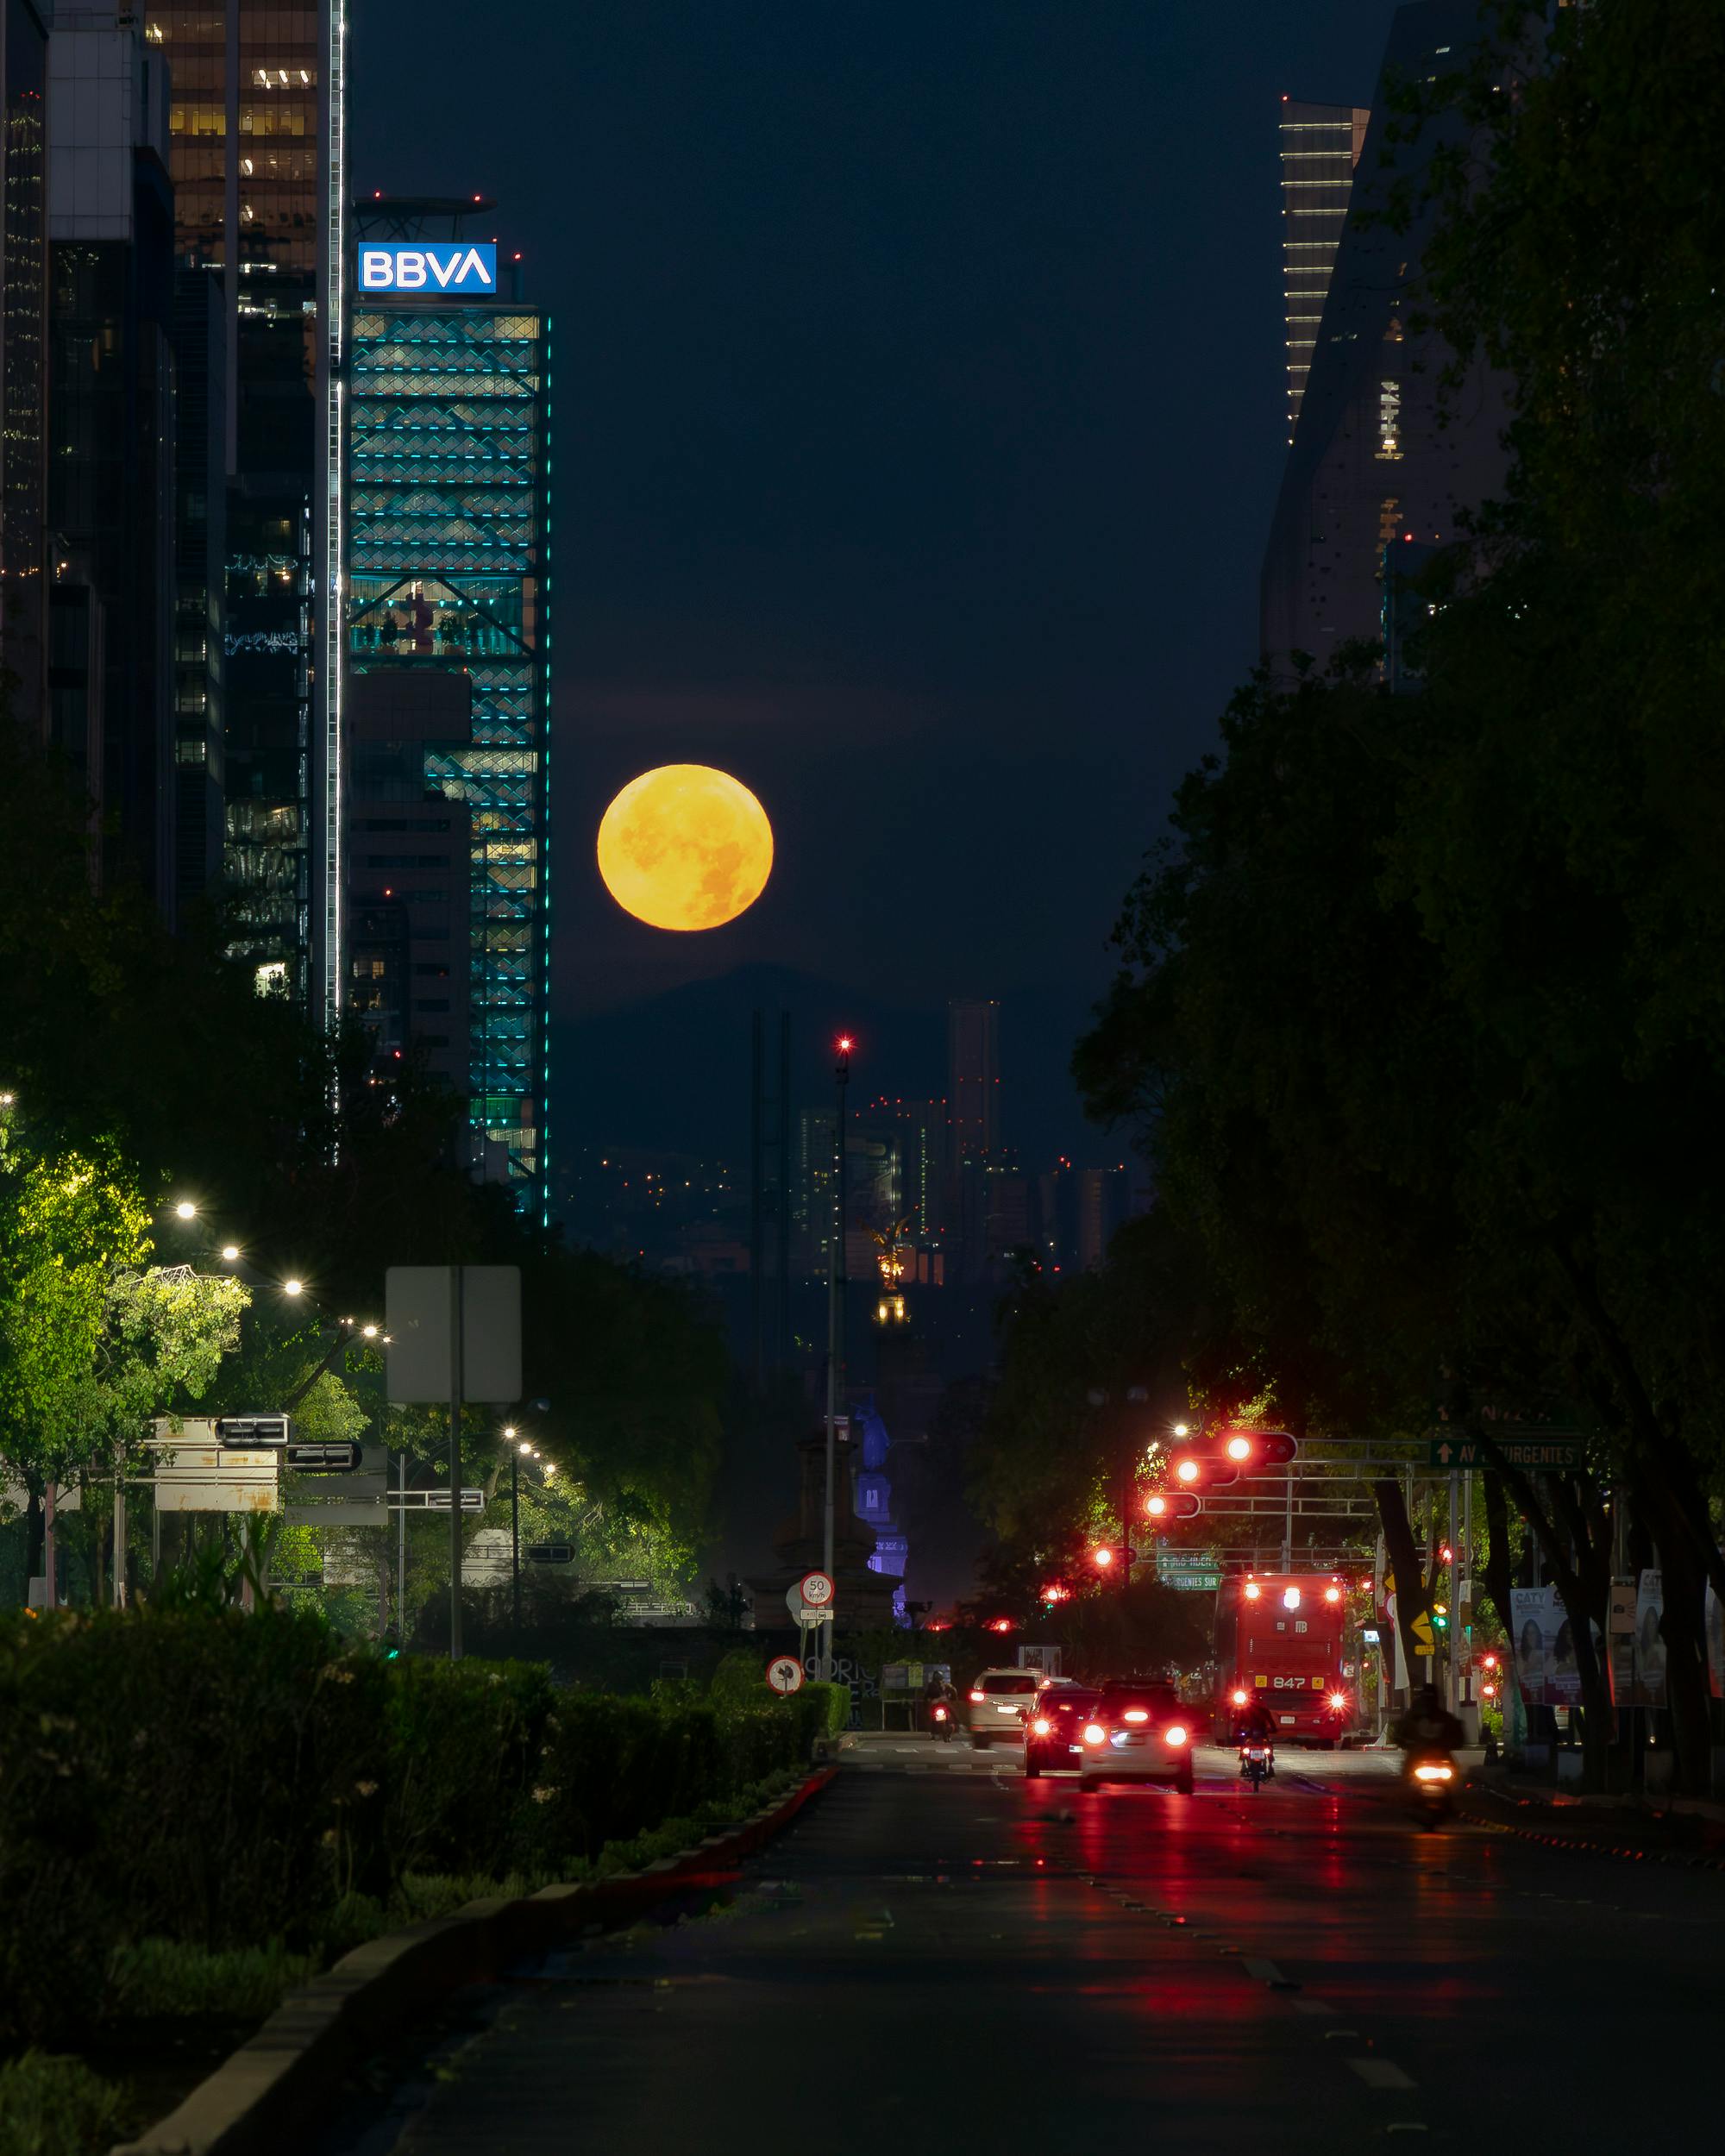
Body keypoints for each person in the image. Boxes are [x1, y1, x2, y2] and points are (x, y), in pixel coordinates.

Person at [1395, 1682, 1465, 1758]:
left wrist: (1451, 1743)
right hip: (1419, 1756)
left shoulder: (1445, 1717)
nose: (1428, 1702)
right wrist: (1405, 1742)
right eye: (1425, 1697)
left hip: (1439, 1756)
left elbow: (1458, 1738)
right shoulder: (1412, 1716)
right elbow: (1400, 1733)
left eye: (1430, 1697)